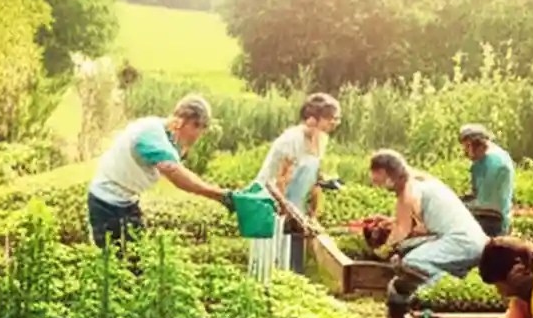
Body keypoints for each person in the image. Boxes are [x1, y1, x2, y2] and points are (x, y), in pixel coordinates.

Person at [86, 95, 235, 252]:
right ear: (188, 122)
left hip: (127, 202)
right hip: (106, 204)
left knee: (138, 257)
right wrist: (221, 196)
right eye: (198, 129)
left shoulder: (161, 130)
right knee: (118, 264)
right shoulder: (152, 136)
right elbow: (178, 175)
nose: (197, 137)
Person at [367, 150, 490, 318]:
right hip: (468, 240)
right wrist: (391, 222)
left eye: (381, 181)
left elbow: (402, 231)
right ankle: (421, 297)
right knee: (404, 262)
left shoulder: (409, 190)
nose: (383, 187)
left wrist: (379, 253)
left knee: (411, 262)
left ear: (387, 174)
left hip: (461, 242)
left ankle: (441, 291)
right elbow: (419, 227)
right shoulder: (421, 182)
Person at [253, 92, 344, 271]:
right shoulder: (291, 141)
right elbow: (278, 183)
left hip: (295, 203)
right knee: (272, 258)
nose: (334, 124)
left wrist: (313, 214)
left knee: (294, 258)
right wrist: (290, 212)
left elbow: (315, 177)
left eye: (336, 119)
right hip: (272, 202)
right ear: (311, 119)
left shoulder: (321, 139)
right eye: (330, 119)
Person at [458, 124, 515, 237]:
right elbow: (476, 193)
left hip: (493, 220)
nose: (465, 152)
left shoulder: (494, 163)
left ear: (476, 145)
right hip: (490, 215)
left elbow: (485, 204)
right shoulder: (482, 161)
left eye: (467, 147)